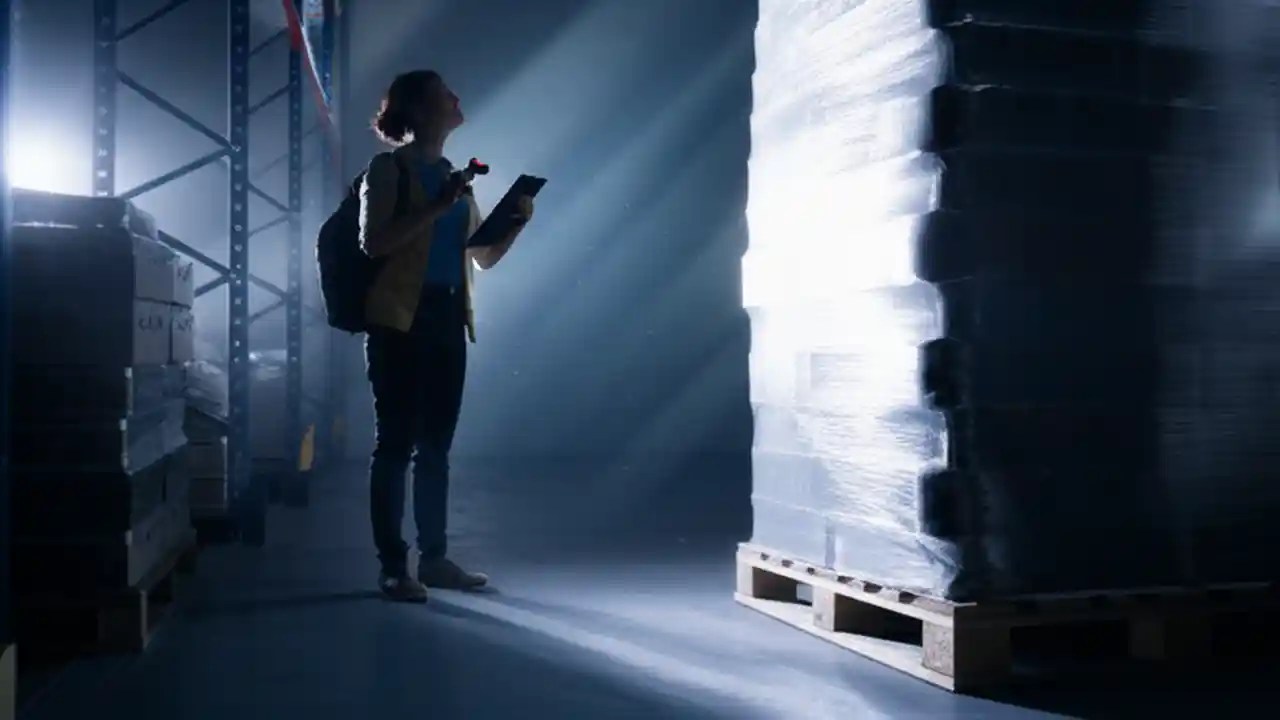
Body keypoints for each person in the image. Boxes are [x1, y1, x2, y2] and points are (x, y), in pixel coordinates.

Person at [359, 69, 533, 603]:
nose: (457, 97)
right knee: (395, 446)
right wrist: (438, 206)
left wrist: (513, 221)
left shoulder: (457, 179)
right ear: (419, 109)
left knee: (436, 446)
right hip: (399, 320)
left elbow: (479, 257)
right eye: (444, 92)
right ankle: (394, 566)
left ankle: (433, 560)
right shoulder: (389, 171)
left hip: (448, 319)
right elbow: (375, 242)